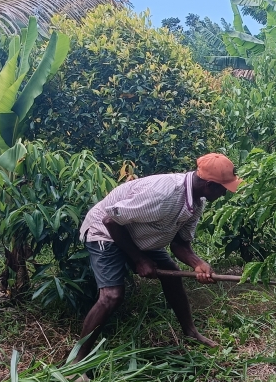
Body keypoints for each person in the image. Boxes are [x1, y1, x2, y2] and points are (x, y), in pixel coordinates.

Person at [72, 153, 241, 364]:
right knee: (112, 295)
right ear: (209, 185)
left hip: (139, 234)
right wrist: (139, 260)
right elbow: (111, 220)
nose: (225, 194)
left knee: (172, 274)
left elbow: (180, 244)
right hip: (105, 232)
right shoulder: (164, 193)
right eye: (224, 188)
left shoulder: (196, 202)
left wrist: (199, 264)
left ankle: (190, 332)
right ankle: (77, 360)